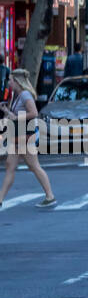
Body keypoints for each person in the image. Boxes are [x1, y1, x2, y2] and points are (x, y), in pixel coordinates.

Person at [0, 69, 55, 208]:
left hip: (26, 137)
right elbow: (16, 115)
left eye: (11, 80)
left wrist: (15, 117)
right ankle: (0, 200)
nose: (9, 83)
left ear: (17, 81)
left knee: (34, 166)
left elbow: (34, 113)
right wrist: (7, 111)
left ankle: (50, 196)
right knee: (10, 166)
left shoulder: (25, 95)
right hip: (19, 137)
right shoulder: (18, 96)